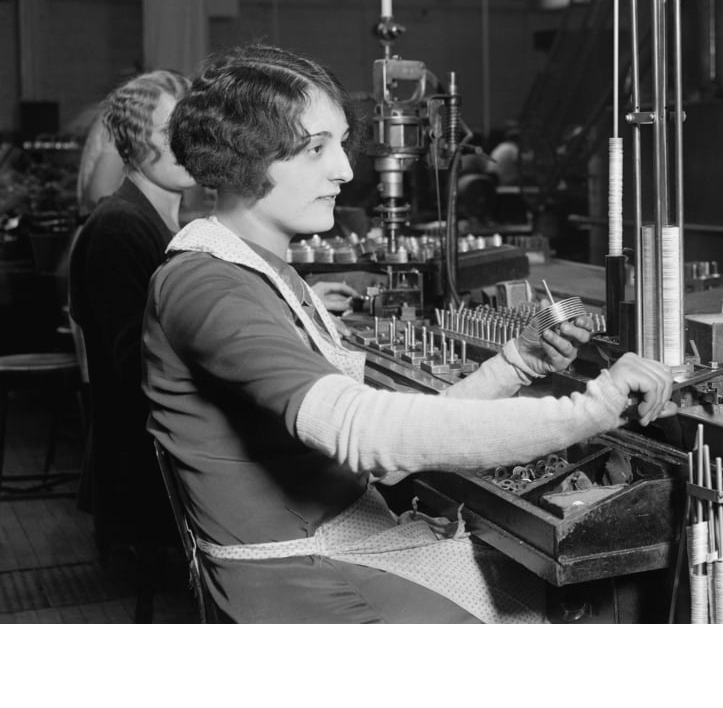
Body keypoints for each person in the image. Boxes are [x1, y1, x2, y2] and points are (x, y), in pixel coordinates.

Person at [142, 44, 677, 624]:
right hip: (301, 587)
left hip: (339, 548)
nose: (345, 169)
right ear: (247, 156)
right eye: (317, 148)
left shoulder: (266, 271)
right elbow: (368, 433)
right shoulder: (209, 286)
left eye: (342, 144)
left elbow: (380, 461)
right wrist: (595, 407)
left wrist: (516, 363)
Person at [69, 69, 197, 557]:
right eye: (171, 133)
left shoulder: (168, 222)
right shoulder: (118, 228)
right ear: (131, 140)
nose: (188, 144)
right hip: (145, 467)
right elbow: (136, 368)